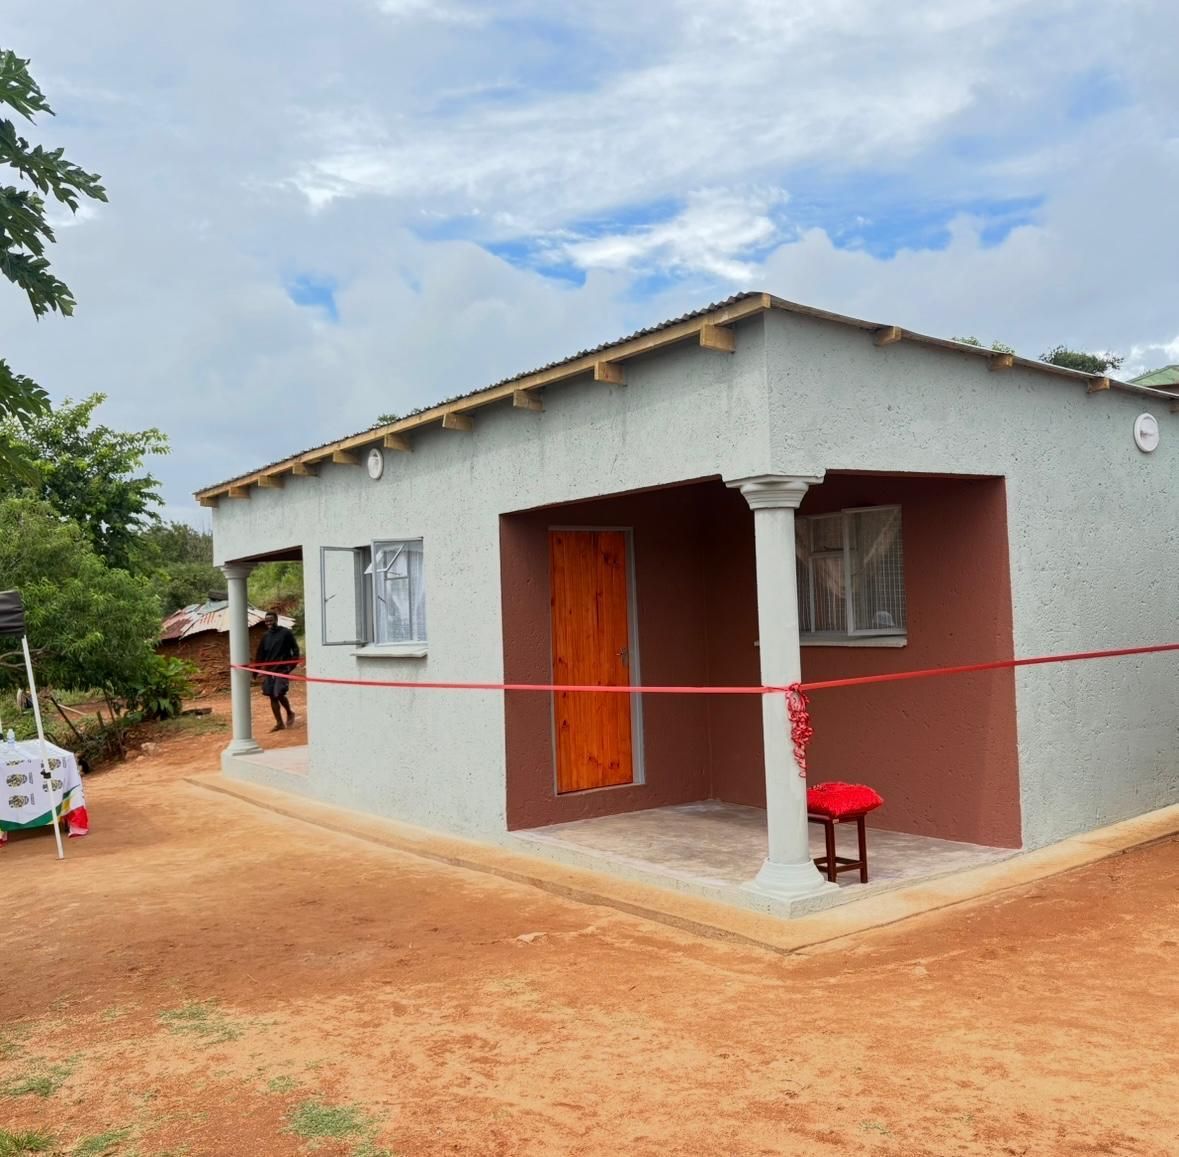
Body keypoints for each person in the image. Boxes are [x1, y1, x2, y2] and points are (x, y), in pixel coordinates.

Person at [255, 611, 300, 731]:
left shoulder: (286, 633)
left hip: (282, 669)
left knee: (279, 693)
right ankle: (279, 723)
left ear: (276, 620)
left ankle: (289, 712)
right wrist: (255, 671)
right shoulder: (265, 636)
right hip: (269, 671)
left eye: (271, 620)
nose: (268, 623)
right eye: (266, 621)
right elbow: (260, 654)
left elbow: (295, 650)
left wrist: (290, 666)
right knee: (272, 696)